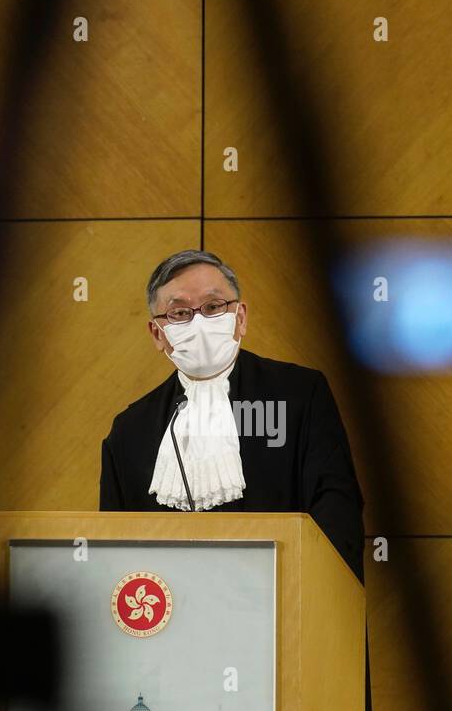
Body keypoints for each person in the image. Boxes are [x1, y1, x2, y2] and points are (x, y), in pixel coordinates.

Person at [99, 249, 364, 582]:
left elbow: (337, 512)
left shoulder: (298, 394)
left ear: (240, 317)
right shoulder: (130, 431)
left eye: (213, 307)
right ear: (157, 334)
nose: (198, 322)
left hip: (286, 607)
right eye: (179, 313)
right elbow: (113, 551)